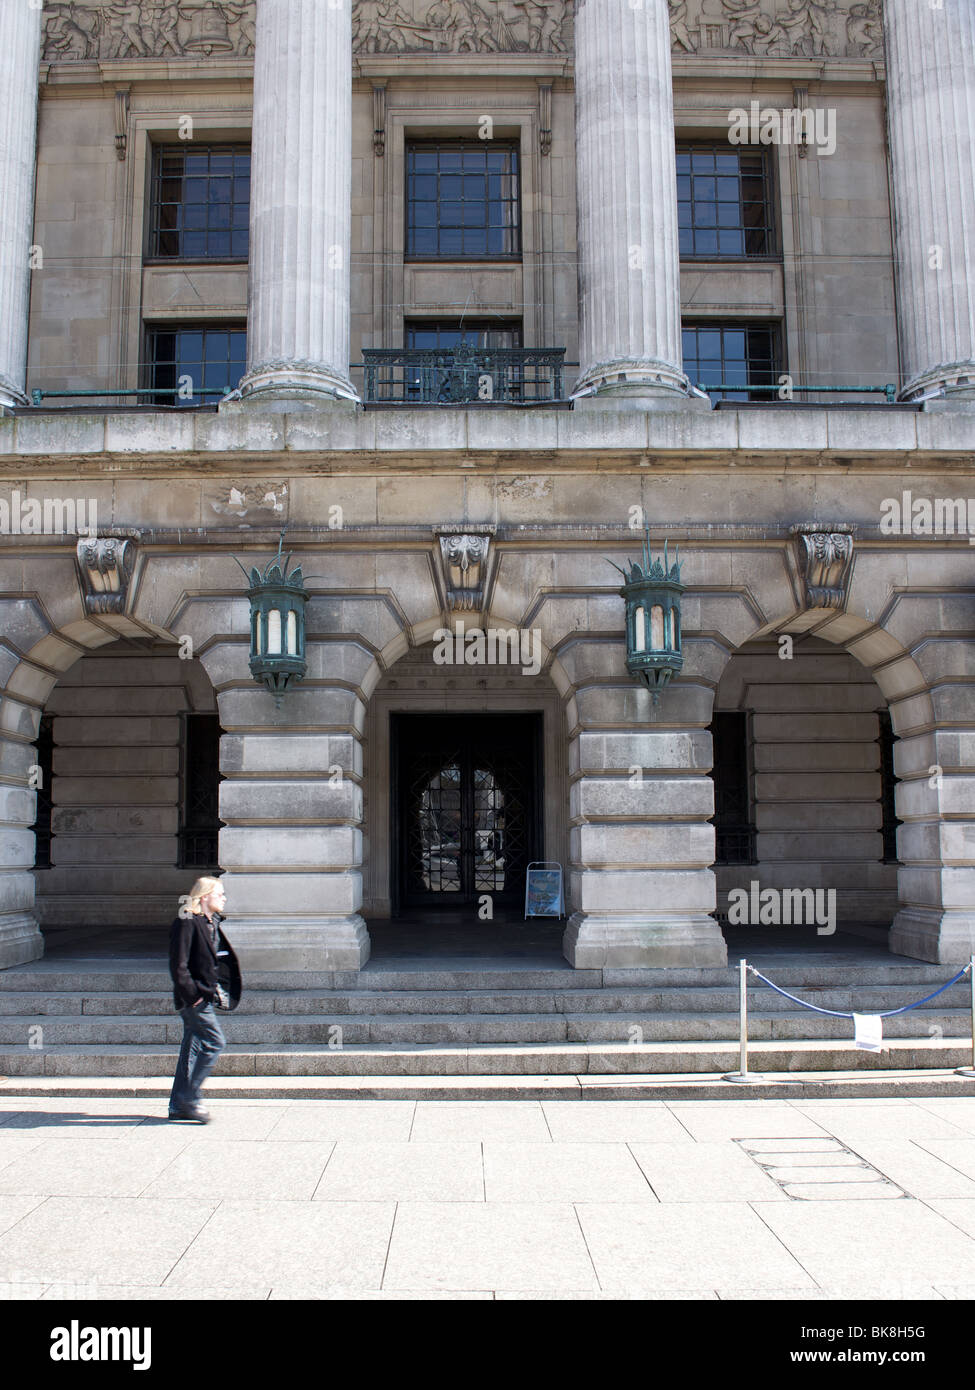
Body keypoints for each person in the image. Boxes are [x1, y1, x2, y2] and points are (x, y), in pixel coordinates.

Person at [168, 876, 240, 1122]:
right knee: (215, 1042)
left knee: (191, 1050)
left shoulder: (212, 922)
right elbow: (179, 966)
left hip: (205, 996)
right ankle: (190, 1098)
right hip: (195, 999)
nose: (224, 898)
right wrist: (194, 997)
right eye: (220, 894)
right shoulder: (187, 922)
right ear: (205, 896)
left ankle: (178, 1105)